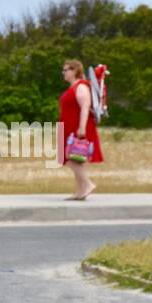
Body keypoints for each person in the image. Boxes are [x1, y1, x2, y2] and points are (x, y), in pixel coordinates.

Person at [59, 59, 103, 200]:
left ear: (74, 71)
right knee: (76, 159)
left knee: (70, 159)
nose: (64, 73)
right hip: (69, 127)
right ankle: (80, 191)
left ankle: (88, 185)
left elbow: (85, 106)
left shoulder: (81, 87)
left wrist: (82, 127)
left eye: (66, 70)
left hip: (77, 128)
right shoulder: (73, 87)